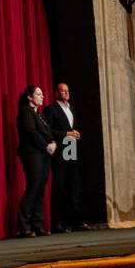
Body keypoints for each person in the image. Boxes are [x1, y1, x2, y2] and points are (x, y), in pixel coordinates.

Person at [43, 82, 88, 232]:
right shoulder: (51, 109)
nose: (66, 93)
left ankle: (76, 221)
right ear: (56, 93)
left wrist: (76, 133)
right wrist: (67, 134)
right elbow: (48, 130)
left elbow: (72, 128)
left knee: (74, 186)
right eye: (62, 91)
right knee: (60, 186)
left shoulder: (72, 109)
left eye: (67, 91)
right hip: (60, 151)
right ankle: (57, 223)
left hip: (72, 149)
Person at [15, 85, 56, 237]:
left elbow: (48, 131)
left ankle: (37, 225)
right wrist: (46, 146)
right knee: (33, 188)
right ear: (30, 97)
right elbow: (31, 133)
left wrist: (53, 142)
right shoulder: (26, 112)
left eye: (42, 94)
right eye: (38, 94)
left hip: (44, 154)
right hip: (32, 154)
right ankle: (23, 226)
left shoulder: (39, 114)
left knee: (40, 190)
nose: (42, 96)